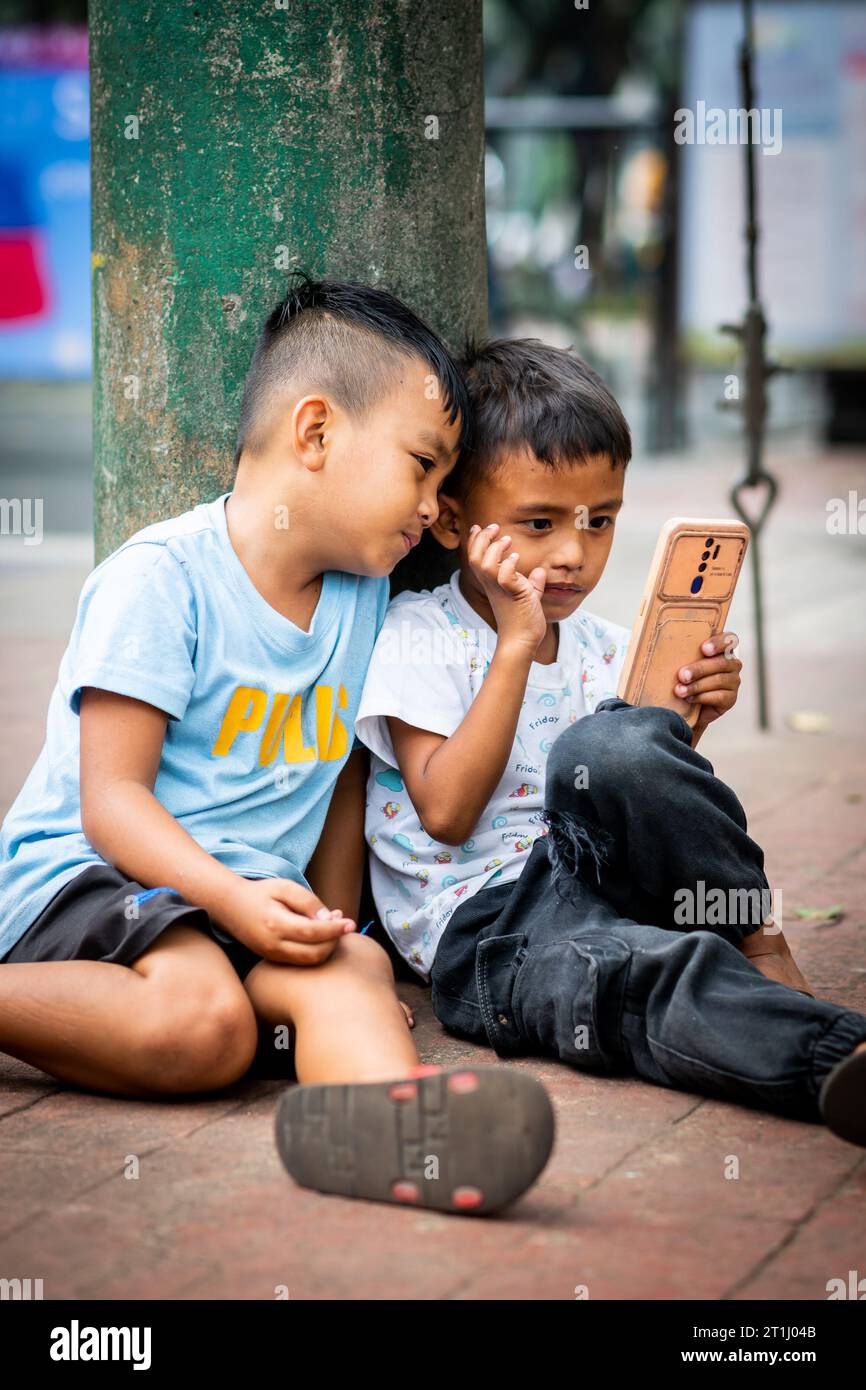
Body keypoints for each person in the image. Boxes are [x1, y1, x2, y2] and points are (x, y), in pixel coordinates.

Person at [0, 280, 555, 1215]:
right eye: (421, 466)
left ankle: (392, 1133)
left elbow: (337, 777)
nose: (431, 505)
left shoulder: (359, 600)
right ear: (315, 432)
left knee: (354, 970)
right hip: (98, 881)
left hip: (239, 904)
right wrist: (229, 901)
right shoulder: (162, 581)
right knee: (206, 1025)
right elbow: (113, 802)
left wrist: (333, 924)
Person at [355, 337, 866, 1148]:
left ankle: (757, 938)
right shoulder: (422, 638)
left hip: (607, 878)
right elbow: (447, 811)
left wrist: (684, 725)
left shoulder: (599, 644)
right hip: (496, 928)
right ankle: (833, 1057)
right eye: (539, 523)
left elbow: (636, 800)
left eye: (600, 521)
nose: (574, 553)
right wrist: (515, 646)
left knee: (623, 748)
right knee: (640, 975)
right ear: (454, 519)